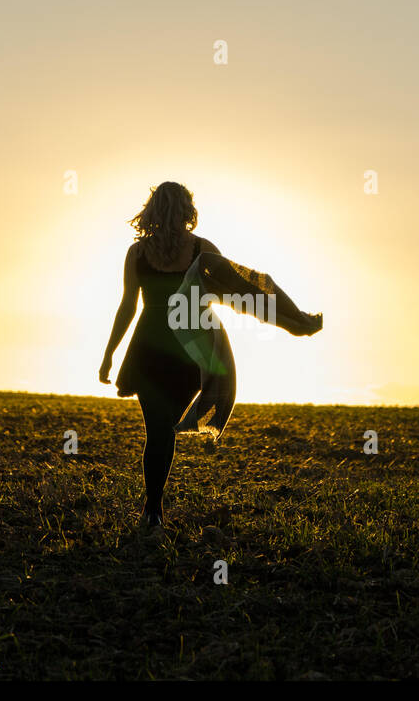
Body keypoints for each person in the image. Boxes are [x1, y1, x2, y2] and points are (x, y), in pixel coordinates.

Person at [99, 181, 321, 527]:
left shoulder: (138, 253)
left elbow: (127, 305)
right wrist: (293, 318)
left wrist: (110, 354)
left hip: (148, 348)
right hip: (191, 348)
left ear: (152, 209)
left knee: (157, 431)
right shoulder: (201, 250)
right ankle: (153, 510)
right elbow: (244, 289)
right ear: (188, 210)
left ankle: (152, 510)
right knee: (166, 428)